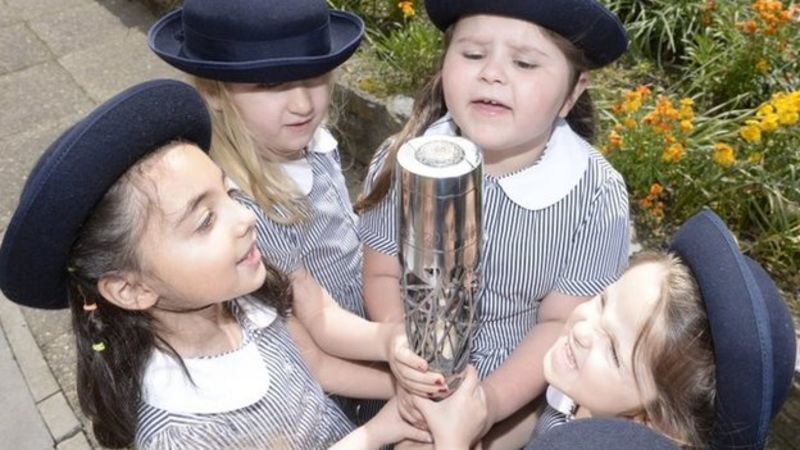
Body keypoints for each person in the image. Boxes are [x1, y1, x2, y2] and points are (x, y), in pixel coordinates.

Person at [0, 79, 458, 449]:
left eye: (230, 193)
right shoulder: (179, 434)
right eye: (204, 221)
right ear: (131, 289)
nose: (243, 219)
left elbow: (314, 363)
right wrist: (377, 434)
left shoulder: (247, 303)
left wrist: (404, 398)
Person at [147, 0, 442, 423]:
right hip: (342, 383)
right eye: (270, 85)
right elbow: (311, 354)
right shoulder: (243, 216)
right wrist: (408, 387)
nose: (303, 104)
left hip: (368, 326)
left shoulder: (312, 143)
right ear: (212, 90)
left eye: (314, 77)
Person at [355, 0, 631, 445]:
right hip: (404, 375)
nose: (493, 74)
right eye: (473, 54)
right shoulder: (405, 158)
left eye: (524, 62)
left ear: (573, 94)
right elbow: (382, 268)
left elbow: (560, 323)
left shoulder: (594, 196)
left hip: (512, 395)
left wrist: (487, 406)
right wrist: (400, 347)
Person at [535, 209, 796, 449]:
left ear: (654, 422)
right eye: (602, 301)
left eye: (613, 351)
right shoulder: (582, 398)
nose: (582, 329)